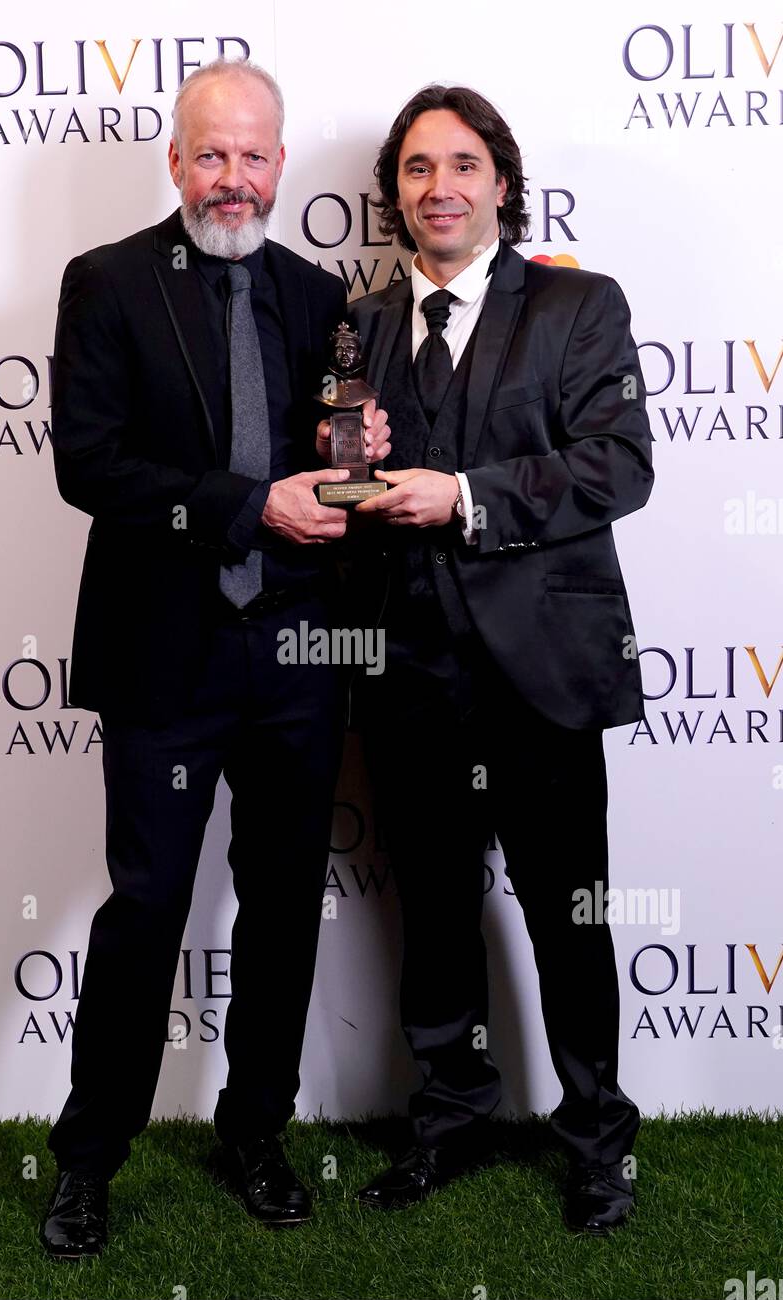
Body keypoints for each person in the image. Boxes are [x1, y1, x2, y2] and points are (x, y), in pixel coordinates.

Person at [41, 56, 390, 1257]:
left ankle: (256, 1132)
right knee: (146, 910)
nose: (232, 178)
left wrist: (359, 449)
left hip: (293, 655)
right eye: (211, 153)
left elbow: (336, 467)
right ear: (176, 159)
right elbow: (88, 466)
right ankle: (88, 1157)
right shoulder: (108, 283)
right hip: (162, 660)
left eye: (253, 156)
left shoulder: (320, 296)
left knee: (286, 904)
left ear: (279, 165)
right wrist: (247, 508)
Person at [340, 84, 653, 1233]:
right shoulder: (356, 326)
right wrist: (341, 472)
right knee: (432, 913)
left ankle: (596, 1142)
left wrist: (465, 494)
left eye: (462, 166)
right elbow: (335, 485)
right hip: (406, 675)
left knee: (569, 917)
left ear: (501, 187)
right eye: (418, 170)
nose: (441, 189)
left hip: (543, 672)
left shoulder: (578, 307)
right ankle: (449, 1120)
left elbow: (617, 465)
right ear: (395, 194)